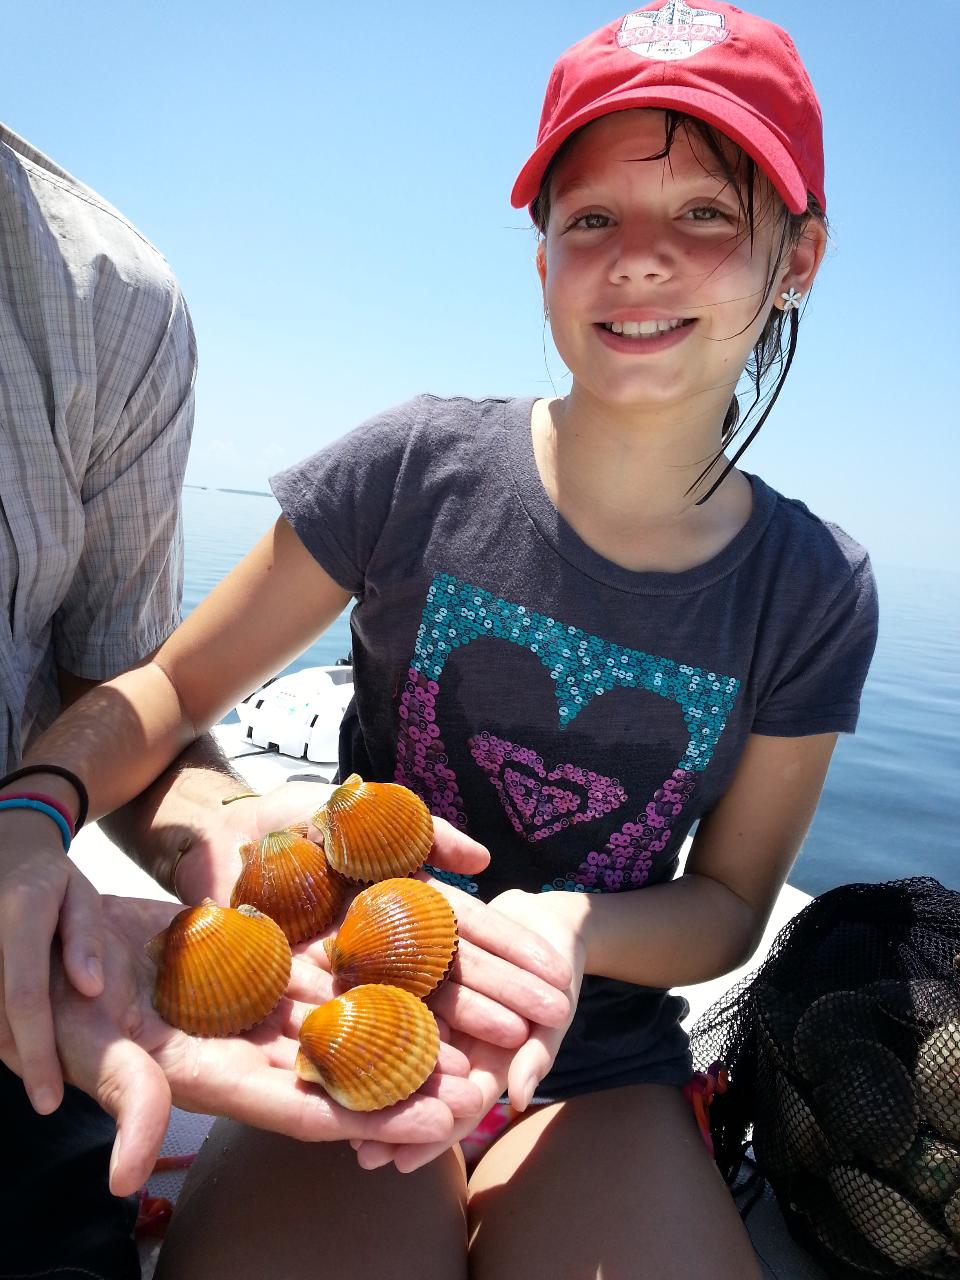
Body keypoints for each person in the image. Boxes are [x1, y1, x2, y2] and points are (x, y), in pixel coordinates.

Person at [0, 3, 879, 1275]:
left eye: (706, 213)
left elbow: (732, 901)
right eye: (591, 219)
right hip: (342, 998)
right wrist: (33, 809)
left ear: (797, 256)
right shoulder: (414, 468)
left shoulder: (813, 589)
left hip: (590, 1056)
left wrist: (567, 927)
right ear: (539, 258)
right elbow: (168, 686)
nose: (639, 258)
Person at [0, 123, 570, 1278]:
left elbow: (123, 686)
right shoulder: (411, 467)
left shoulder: (102, 300)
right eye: (592, 214)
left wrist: (189, 824)